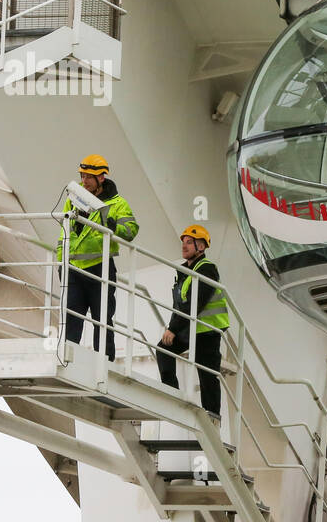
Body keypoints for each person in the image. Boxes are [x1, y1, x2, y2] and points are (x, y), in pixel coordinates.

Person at [56, 155, 139, 361]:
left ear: (101, 178)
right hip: (74, 268)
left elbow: (130, 231)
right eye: (82, 176)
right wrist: (61, 262)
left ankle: (105, 362)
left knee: (102, 320)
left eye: (89, 177)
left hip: (100, 267)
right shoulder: (73, 199)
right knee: (71, 317)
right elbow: (63, 234)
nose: (84, 181)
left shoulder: (118, 204)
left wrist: (113, 227)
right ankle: (66, 358)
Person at [157, 225, 229, 417]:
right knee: (163, 350)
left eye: (189, 242)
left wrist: (173, 329)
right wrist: (171, 326)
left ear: (202, 247)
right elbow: (180, 305)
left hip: (207, 330)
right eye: (183, 242)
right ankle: (172, 395)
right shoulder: (184, 272)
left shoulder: (207, 270)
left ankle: (212, 417)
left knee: (207, 375)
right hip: (189, 328)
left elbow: (196, 304)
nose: (184, 246)